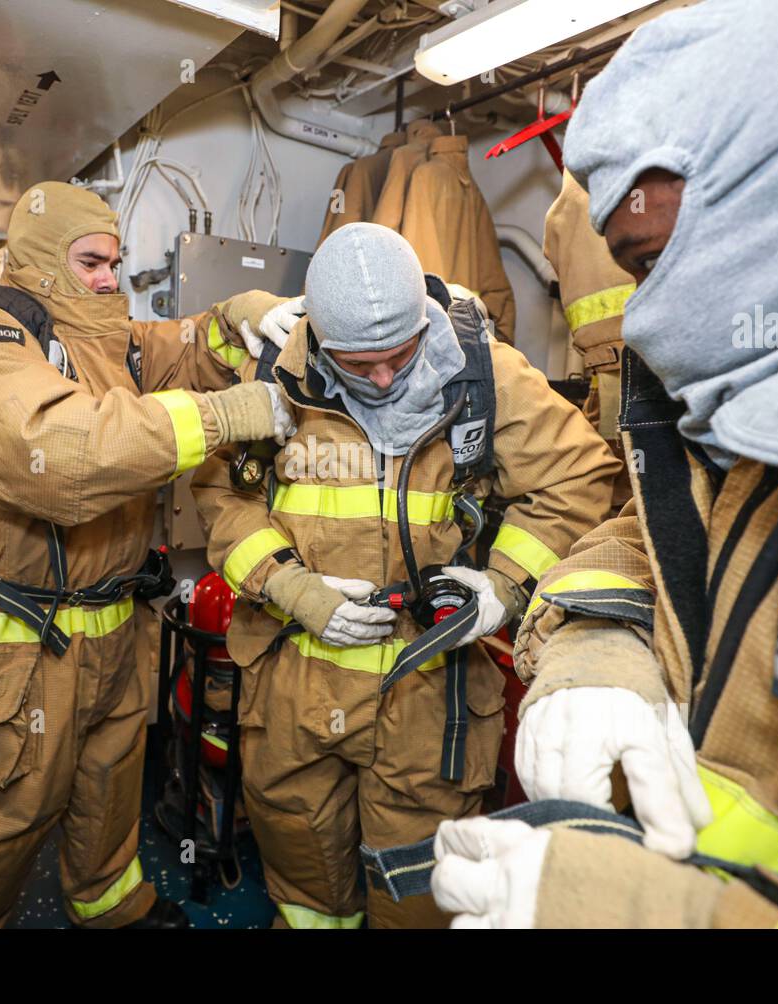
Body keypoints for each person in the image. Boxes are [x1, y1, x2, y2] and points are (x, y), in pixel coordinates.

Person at [430, 0, 778, 929]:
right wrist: (598, 647)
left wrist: (652, 916)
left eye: (651, 264)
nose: (643, 324)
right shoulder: (762, 402)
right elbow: (646, 532)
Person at [192, 222, 619, 928]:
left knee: (420, 905)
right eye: (360, 365)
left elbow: (581, 477)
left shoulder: (487, 375)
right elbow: (220, 496)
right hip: (293, 697)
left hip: (431, 703)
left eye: (401, 355)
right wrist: (291, 586)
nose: (386, 379)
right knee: (305, 902)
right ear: (321, 341)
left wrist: (505, 585)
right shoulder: (273, 374)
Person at [0, 180, 297, 929]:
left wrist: (236, 317)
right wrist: (221, 418)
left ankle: (113, 910)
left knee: (107, 799)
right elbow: (62, 455)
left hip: (114, 632)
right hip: (8, 656)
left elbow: (183, 349)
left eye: (116, 263)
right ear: (47, 260)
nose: (110, 280)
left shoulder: (106, 338)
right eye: (92, 263)